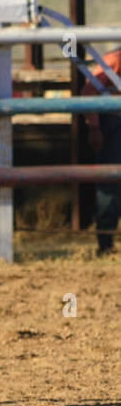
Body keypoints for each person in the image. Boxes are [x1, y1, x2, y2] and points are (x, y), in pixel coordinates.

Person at [84, 48, 121, 255]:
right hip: (114, 121)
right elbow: (89, 90)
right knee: (109, 182)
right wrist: (95, 127)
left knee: (109, 182)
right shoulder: (114, 59)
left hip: (112, 120)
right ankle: (105, 243)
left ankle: (106, 242)